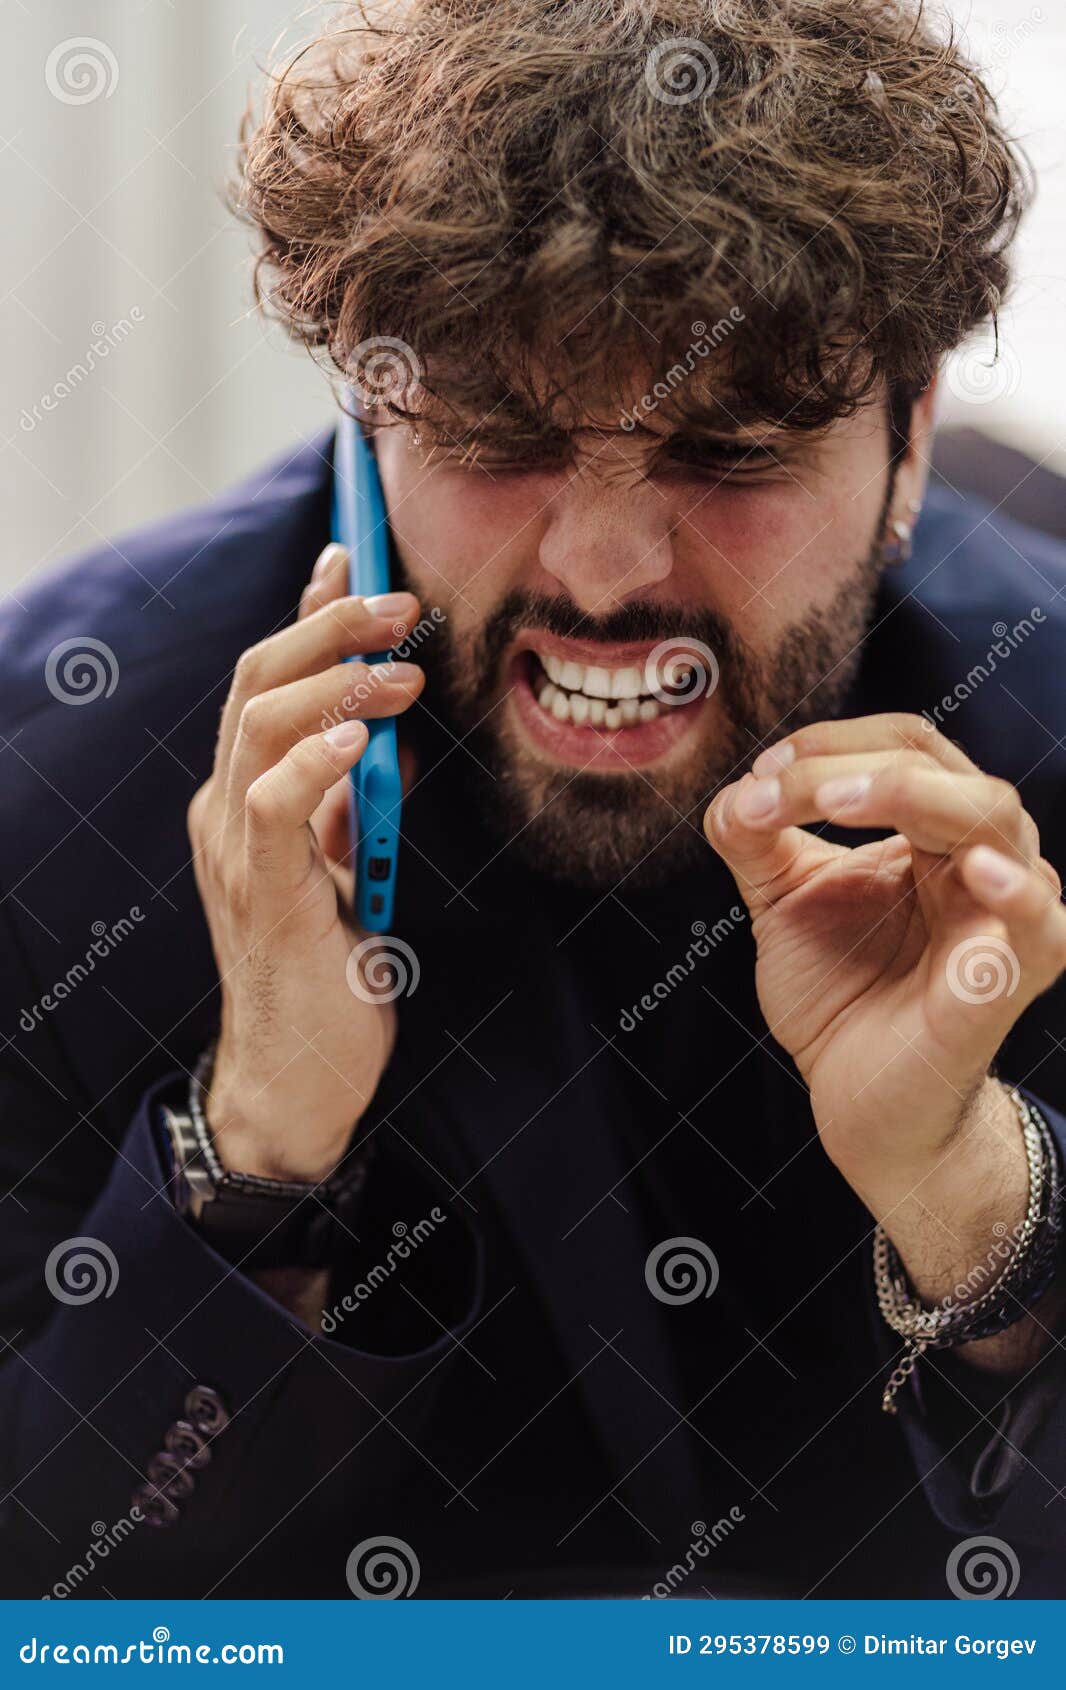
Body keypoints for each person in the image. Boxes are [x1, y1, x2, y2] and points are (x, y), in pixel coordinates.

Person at [2, 0, 1065, 1600]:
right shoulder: (47, 785)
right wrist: (252, 1156)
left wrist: (979, 1203)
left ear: (910, 432)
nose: (602, 574)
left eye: (729, 452)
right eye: (499, 439)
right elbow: (48, 1590)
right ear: (368, 411)